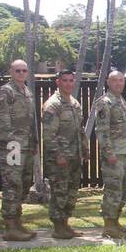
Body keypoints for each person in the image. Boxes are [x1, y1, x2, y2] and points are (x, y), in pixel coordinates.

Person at [0, 60, 38, 241]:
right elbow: (2, 122)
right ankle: (10, 225)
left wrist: (34, 143)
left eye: (24, 70)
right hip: (13, 147)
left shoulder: (26, 91)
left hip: (26, 146)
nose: (21, 73)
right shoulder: (6, 92)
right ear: (10, 71)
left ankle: (17, 222)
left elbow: (30, 119)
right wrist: (13, 144)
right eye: (18, 70)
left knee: (24, 184)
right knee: (12, 185)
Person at [42, 70, 86, 237]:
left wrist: (85, 148)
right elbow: (48, 134)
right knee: (59, 191)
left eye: (70, 80)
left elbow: (79, 130)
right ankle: (58, 227)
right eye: (65, 80)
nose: (68, 83)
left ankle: (66, 224)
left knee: (71, 191)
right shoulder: (53, 104)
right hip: (59, 158)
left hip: (74, 155)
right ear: (58, 83)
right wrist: (58, 154)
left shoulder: (74, 103)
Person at [92, 71, 126, 239]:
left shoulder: (122, 101)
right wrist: (109, 153)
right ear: (108, 83)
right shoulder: (105, 102)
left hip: (125, 153)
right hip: (114, 155)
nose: (119, 83)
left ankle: (115, 221)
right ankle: (108, 225)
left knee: (125, 190)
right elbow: (102, 131)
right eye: (115, 81)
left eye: (121, 80)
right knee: (113, 190)